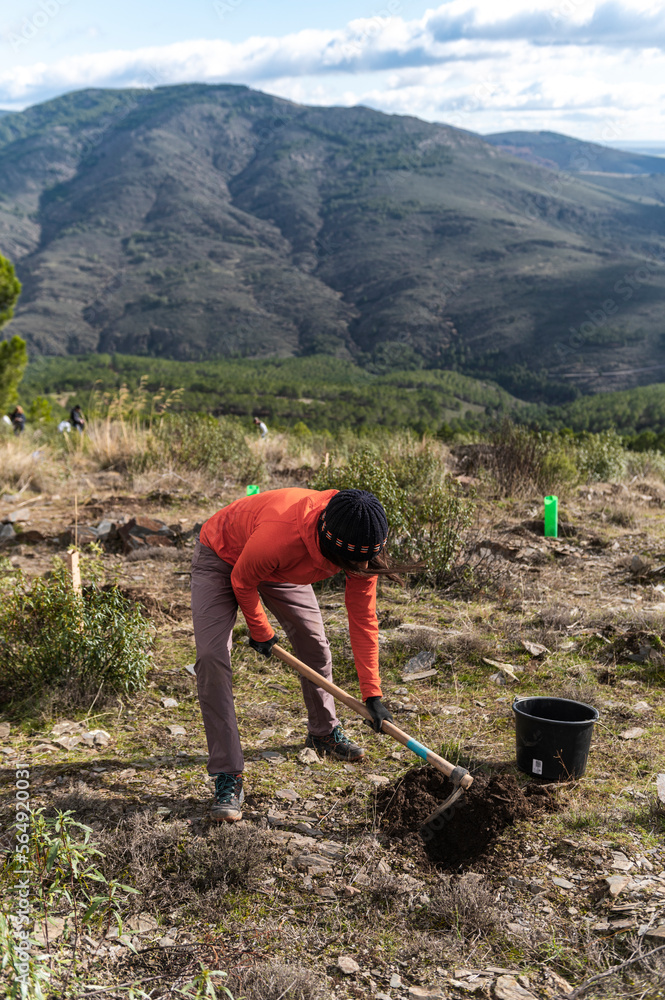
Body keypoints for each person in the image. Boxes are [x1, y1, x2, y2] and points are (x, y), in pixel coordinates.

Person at [191, 488, 396, 822]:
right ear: (331, 547)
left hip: (280, 568)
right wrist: (262, 632)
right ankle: (228, 774)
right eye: (351, 563)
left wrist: (372, 693)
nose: (359, 568)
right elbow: (242, 579)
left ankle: (324, 733)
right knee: (213, 659)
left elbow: (363, 619)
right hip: (223, 555)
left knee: (314, 644)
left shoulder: (360, 541)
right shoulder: (281, 533)